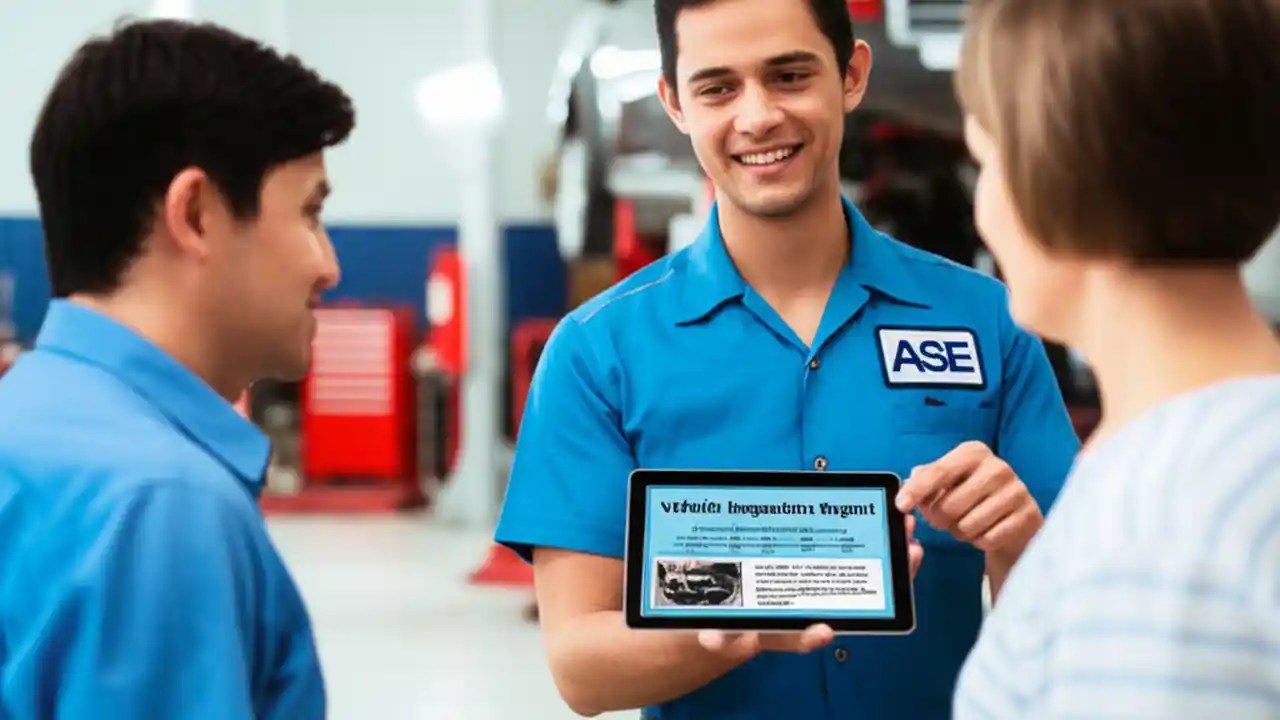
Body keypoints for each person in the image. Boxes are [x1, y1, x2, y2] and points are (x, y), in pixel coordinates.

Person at [494, 0, 1080, 717]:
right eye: (718, 88)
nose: (759, 116)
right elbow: (582, 670)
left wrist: (1019, 545)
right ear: (676, 104)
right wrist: (735, 622)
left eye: (790, 75)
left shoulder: (988, 323)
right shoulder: (598, 353)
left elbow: (1078, 632)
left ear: (852, 75)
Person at [0, 19, 354, 718]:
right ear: (194, 213)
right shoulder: (161, 505)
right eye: (310, 213)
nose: (329, 265)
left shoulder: (24, 418)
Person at [948, 0, 1280, 717]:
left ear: (1053, 169)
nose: (984, 208)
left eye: (986, 161)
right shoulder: (1234, 453)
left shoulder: (1152, 528)